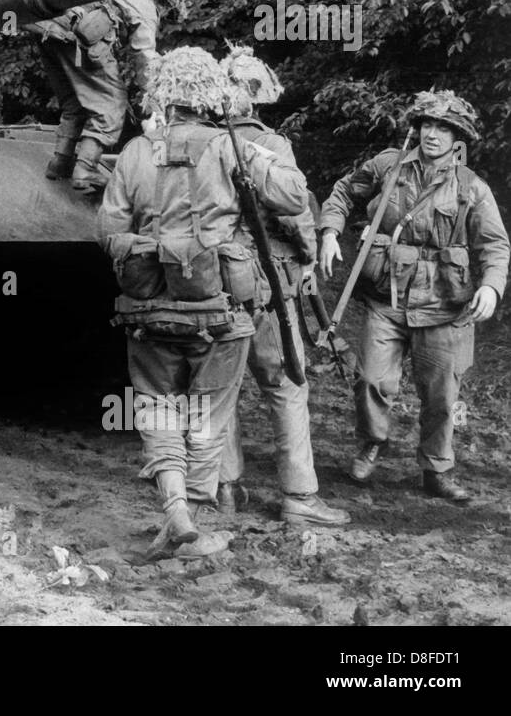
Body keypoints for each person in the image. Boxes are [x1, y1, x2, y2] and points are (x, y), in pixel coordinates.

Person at [98, 47, 308, 559]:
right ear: (212, 95)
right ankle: (195, 514)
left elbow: (107, 231)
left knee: (158, 410)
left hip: (149, 308)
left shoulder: (133, 152)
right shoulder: (229, 147)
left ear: (163, 97)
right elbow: (295, 196)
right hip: (220, 312)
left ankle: (175, 513)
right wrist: (252, 156)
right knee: (209, 415)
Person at [319, 89, 507, 503]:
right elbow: (344, 192)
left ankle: (436, 470)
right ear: (416, 128)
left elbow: (495, 244)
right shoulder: (389, 167)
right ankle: (372, 442)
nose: (432, 134)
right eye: (426, 124)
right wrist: (330, 232)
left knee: (441, 394)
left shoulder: (470, 187)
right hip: (386, 298)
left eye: (443, 127)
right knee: (371, 379)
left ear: (457, 137)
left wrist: (492, 286)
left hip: (444, 306)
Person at [216, 46, 349, 525]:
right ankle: (298, 498)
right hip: (267, 282)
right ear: (255, 97)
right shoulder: (270, 144)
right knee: (286, 384)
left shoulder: (193, 142)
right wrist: (308, 256)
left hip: (213, 283)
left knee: (221, 391)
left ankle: (225, 489)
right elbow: (295, 208)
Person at [19, 0, 185, 191]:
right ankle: (85, 169)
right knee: (111, 103)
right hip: (82, 35)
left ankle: (60, 162)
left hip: (49, 29)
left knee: (75, 101)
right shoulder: (145, 3)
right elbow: (144, 59)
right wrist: (155, 101)